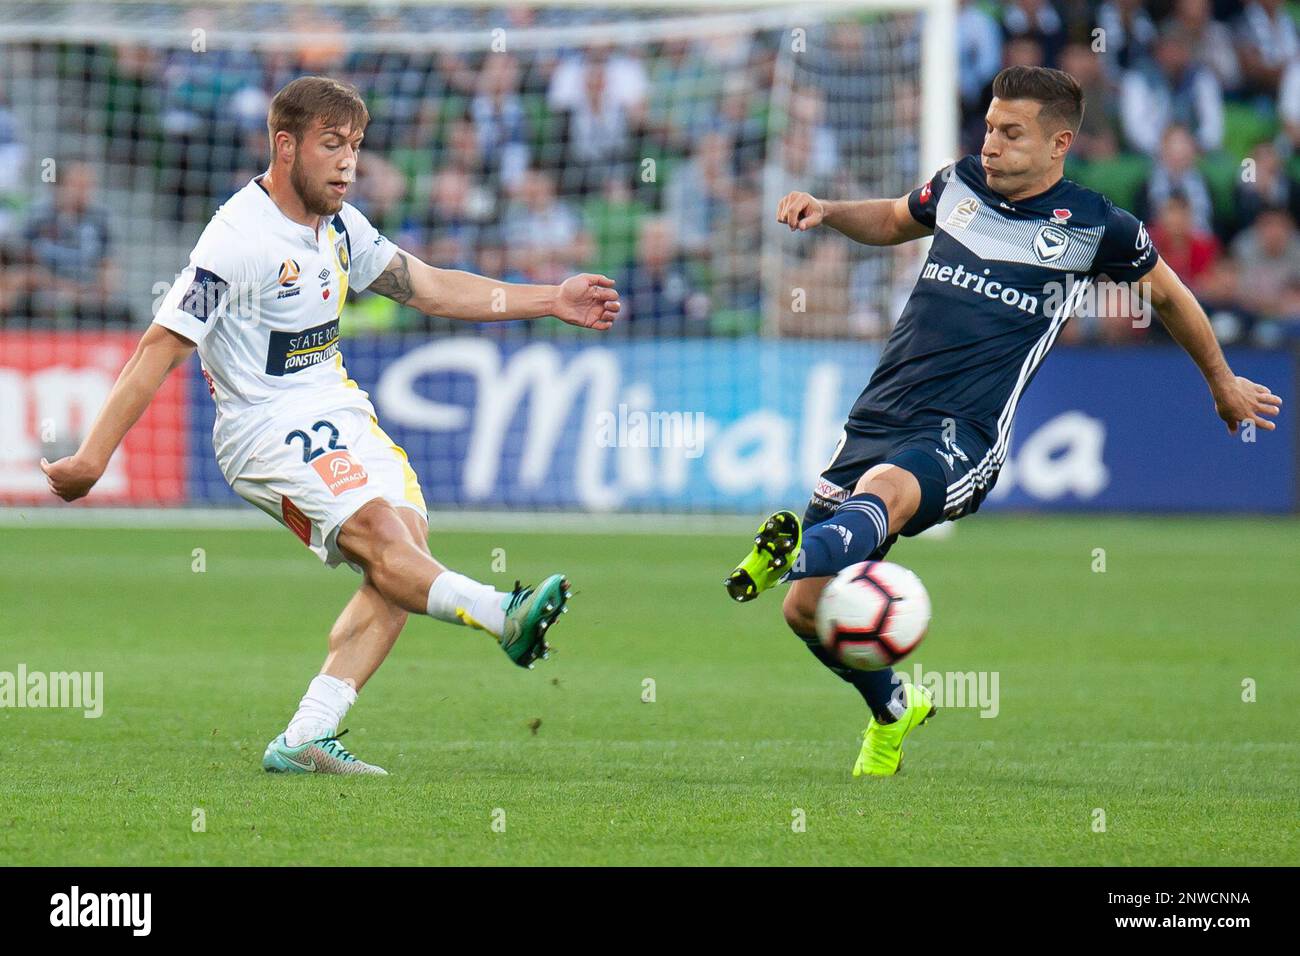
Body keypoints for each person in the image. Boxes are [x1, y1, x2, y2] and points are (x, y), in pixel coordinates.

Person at [40, 76, 621, 776]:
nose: (349, 162)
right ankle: (504, 613)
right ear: (286, 146)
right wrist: (91, 459)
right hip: (261, 427)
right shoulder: (236, 240)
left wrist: (548, 297)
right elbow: (161, 346)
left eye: (356, 146)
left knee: (404, 555)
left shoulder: (341, 225)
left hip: (336, 405)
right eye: (332, 145)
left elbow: (427, 284)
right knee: (384, 539)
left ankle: (305, 737)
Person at [726, 66, 1282, 777]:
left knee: (890, 491)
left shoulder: (1097, 226)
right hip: (879, 410)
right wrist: (829, 210)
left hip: (965, 433)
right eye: (989, 127)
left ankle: (790, 553)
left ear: (1059, 144)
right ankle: (894, 708)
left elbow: (1169, 297)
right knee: (805, 615)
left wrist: (1221, 380)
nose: (991, 143)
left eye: (1011, 133)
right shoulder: (959, 184)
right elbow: (897, 218)